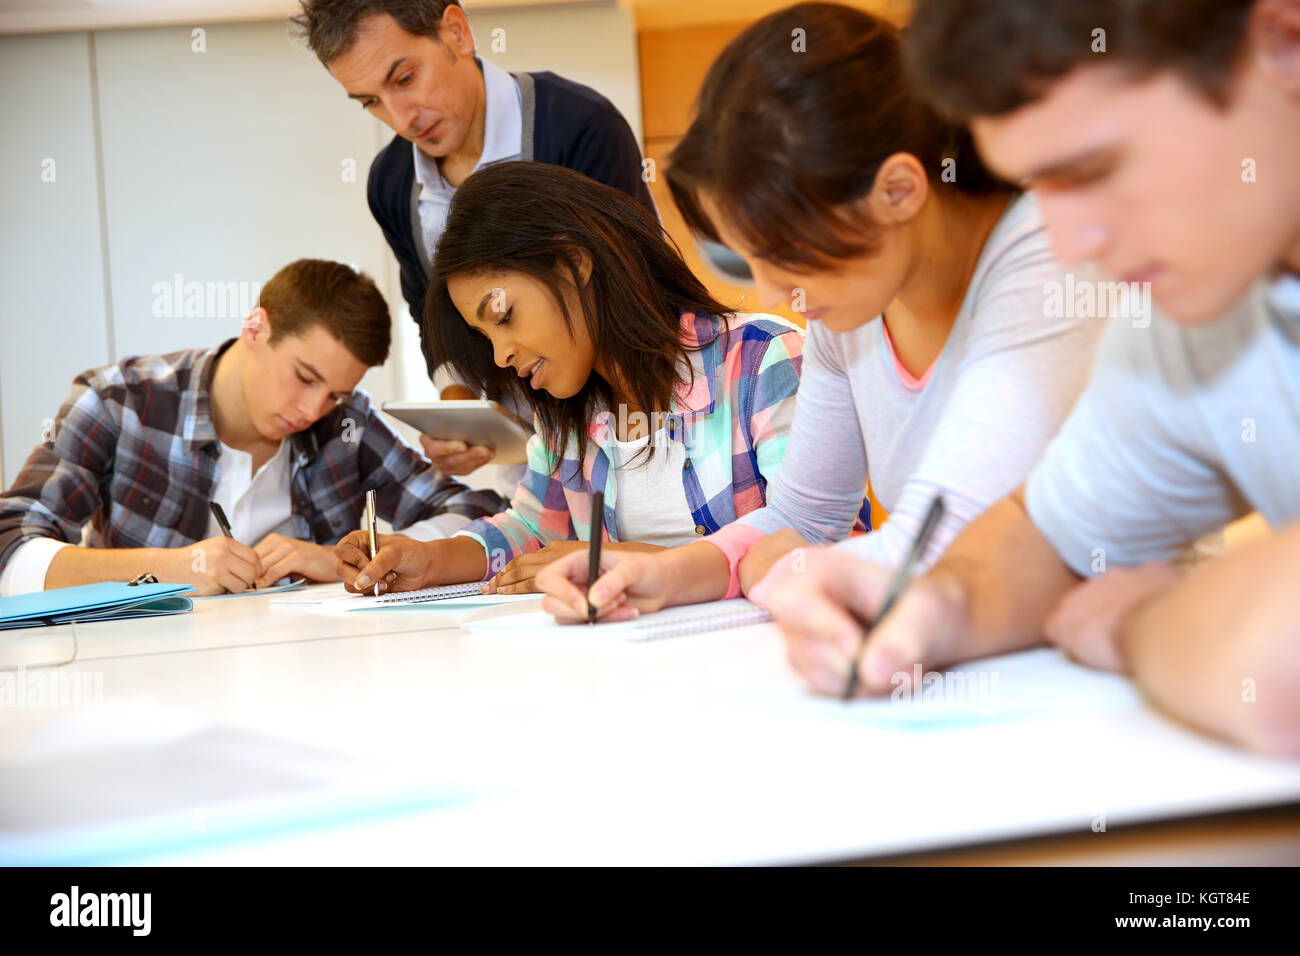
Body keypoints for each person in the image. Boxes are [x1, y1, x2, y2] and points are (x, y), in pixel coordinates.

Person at [769, 0, 1300, 755]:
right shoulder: (1198, 312)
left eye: (1097, 169)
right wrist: (939, 604)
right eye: (1038, 187)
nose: (1071, 240)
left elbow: (1281, 675)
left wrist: (1135, 619)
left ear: (1283, 45)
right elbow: (1052, 538)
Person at [535, 3, 1102, 628]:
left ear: (899, 190)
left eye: (787, 256)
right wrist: (663, 576)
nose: (777, 295)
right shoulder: (850, 316)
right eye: (753, 263)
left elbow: (939, 540)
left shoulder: (1044, 257)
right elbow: (800, 519)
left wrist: (775, 571)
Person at [333, 161, 804, 596]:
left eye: (504, 316)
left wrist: (615, 562)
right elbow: (536, 530)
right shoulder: (566, 413)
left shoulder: (764, 359)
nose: (500, 356)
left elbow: (807, 538)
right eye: (484, 336)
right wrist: (430, 559)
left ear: (574, 264)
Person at [293, 0, 657, 481]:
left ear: (457, 33)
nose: (401, 117)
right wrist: (459, 412)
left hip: (635, 425)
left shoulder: (581, 125)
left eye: (404, 79)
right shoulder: (390, 182)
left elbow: (633, 286)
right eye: (370, 101)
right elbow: (429, 312)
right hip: (529, 462)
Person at [0, 259, 505, 597]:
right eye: (304, 377)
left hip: (308, 680)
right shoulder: (118, 401)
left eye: (334, 393)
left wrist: (346, 560)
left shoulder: (345, 424)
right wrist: (174, 571)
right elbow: (10, 547)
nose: (312, 410)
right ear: (255, 328)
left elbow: (476, 514)